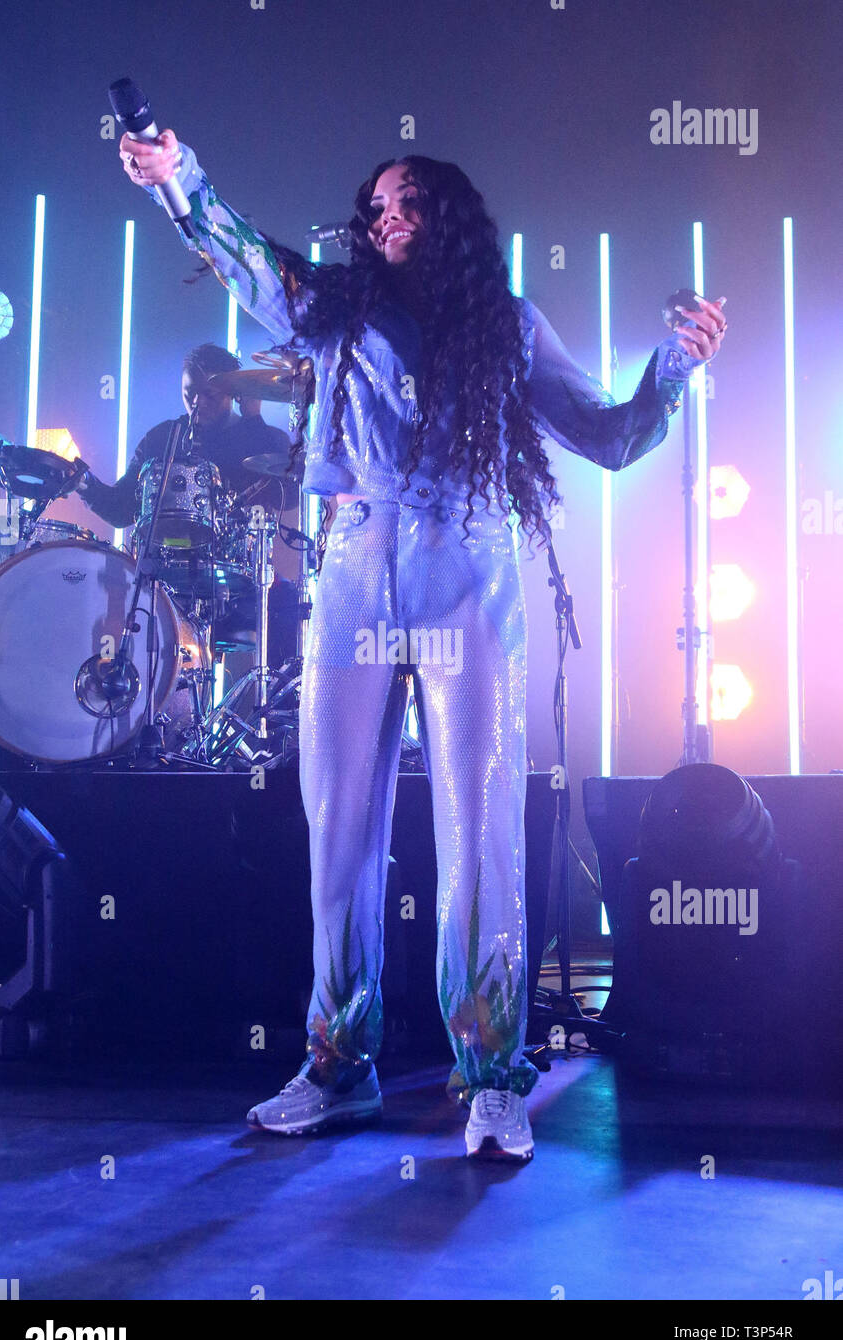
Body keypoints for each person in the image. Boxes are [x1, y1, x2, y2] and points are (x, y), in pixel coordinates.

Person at [118, 128, 727, 1160]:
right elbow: (243, 256)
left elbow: (611, 437)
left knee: (481, 820)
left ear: (448, 219)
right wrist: (177, 175)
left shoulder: (510, 327)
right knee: (338, 824)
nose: (388, 218)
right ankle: (335, 1064)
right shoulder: (328, 308)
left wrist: (670, 366)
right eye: (377, 206)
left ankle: (491, 1076)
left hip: (465, 575)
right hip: (354, 573)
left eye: (408, 203)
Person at [76, 342, 299, 663]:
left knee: (287, 603)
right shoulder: (162, 438)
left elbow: (289, 494)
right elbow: (121, 510)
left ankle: (277, 710)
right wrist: (84, 483)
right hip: (166, 578)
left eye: (210, 394)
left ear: (235, 393)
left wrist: (254, 421)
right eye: (190, 392)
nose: (198, 402)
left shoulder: (259, 438)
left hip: (237, 578)